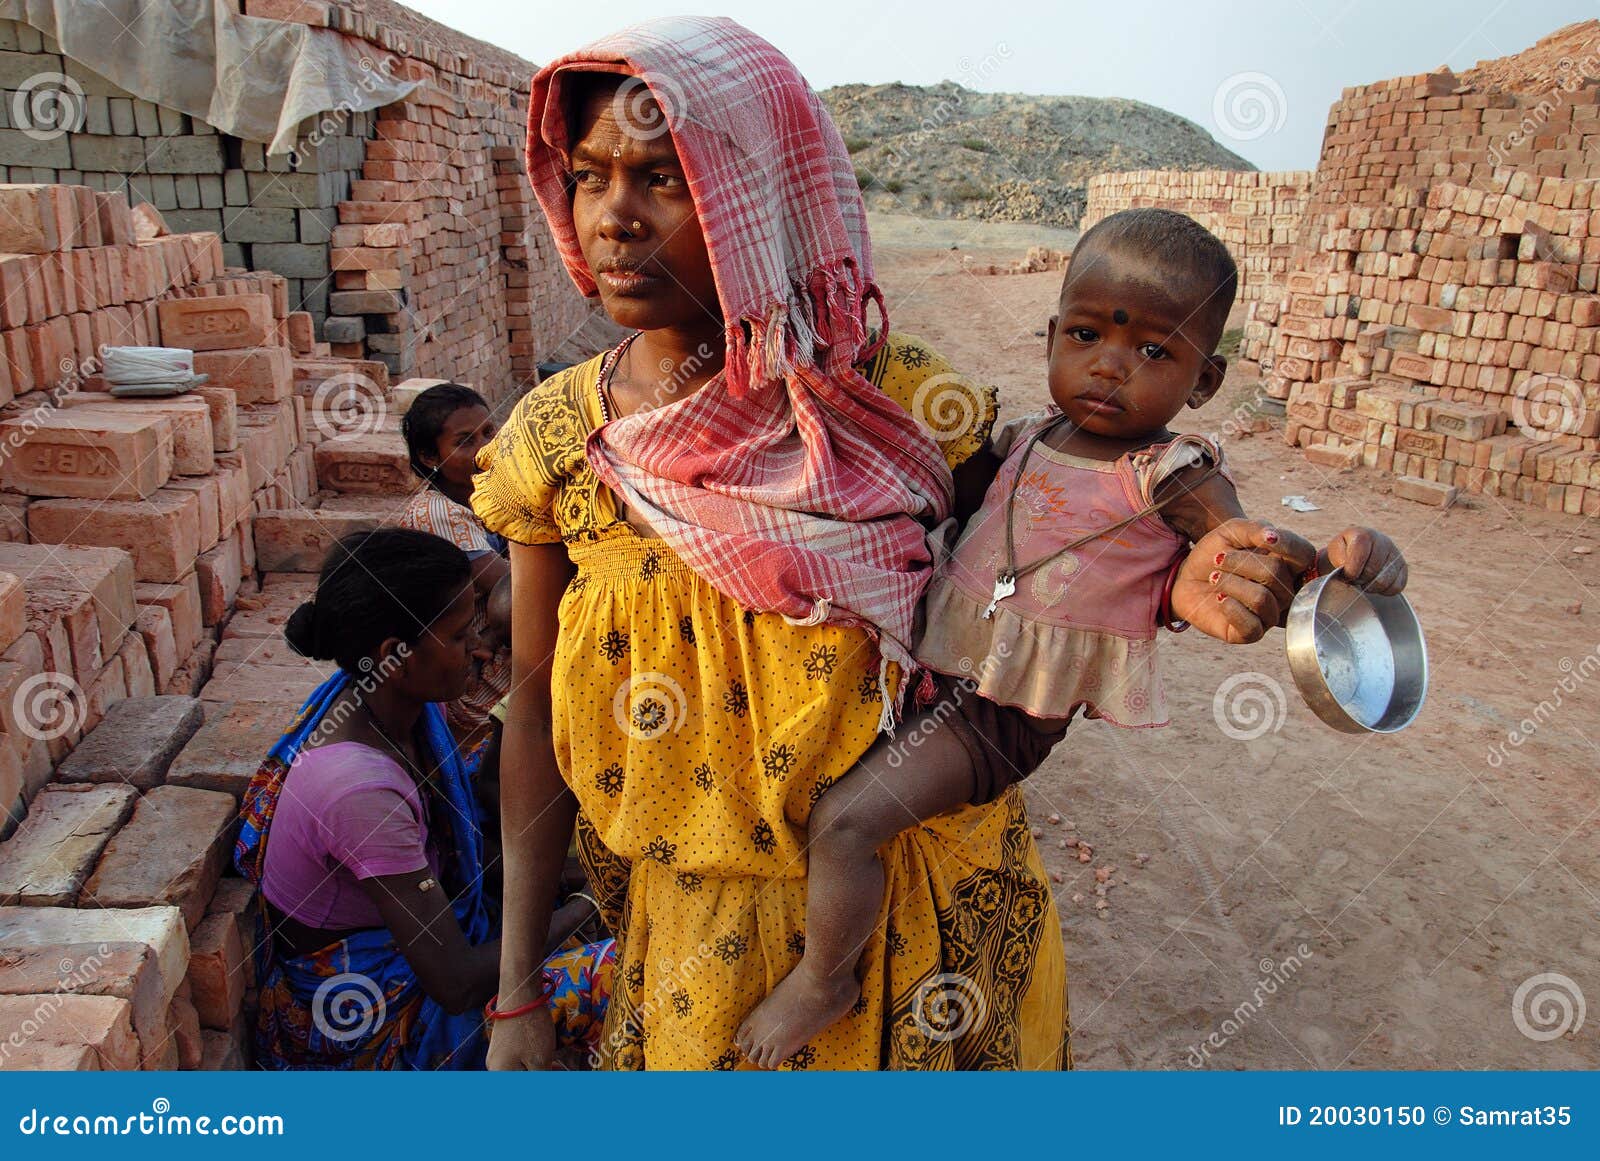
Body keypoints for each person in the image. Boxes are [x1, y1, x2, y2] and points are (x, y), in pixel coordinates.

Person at [473, 18, 1308, 1071]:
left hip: (930, 919)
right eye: (589, 178)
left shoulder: (895, 400)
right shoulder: (558, 443)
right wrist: (516, 995)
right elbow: (536, 717)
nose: (615, 220)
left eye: (662, 180)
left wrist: (1208, 571)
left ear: (757, 192)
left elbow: (1051, 561)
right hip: (697, 952)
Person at [734, 208, 1412, 1066]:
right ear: (1053, 332)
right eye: (1087, 333)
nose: (1110, 365)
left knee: (843, 823)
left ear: (1206, 381)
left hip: (1000, 711)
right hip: (939, 669)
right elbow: (930, 501)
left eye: (1156, 352)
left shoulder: (1171, 476)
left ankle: (826, 978)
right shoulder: (1024, 437)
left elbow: (1250, 553)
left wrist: (1338, 564)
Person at [233, 528, 612, 1069]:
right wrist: (593, 904)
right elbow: (454, 982)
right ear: (395, 655)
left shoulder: (394, 706)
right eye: (460, 635)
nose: (482, 647)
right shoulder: (359, 791)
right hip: (372, 1020)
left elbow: (459, 846)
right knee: (628, 970)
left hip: (420, 951)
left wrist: (571, 878)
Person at [398, 383, 510, 749]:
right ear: (431, 457)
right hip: (473, 674)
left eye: (489, 433)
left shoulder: (486, 498)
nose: (485, 448)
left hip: (495, 642)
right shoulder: (437, 512)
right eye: (466, 441)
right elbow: (508, 588)